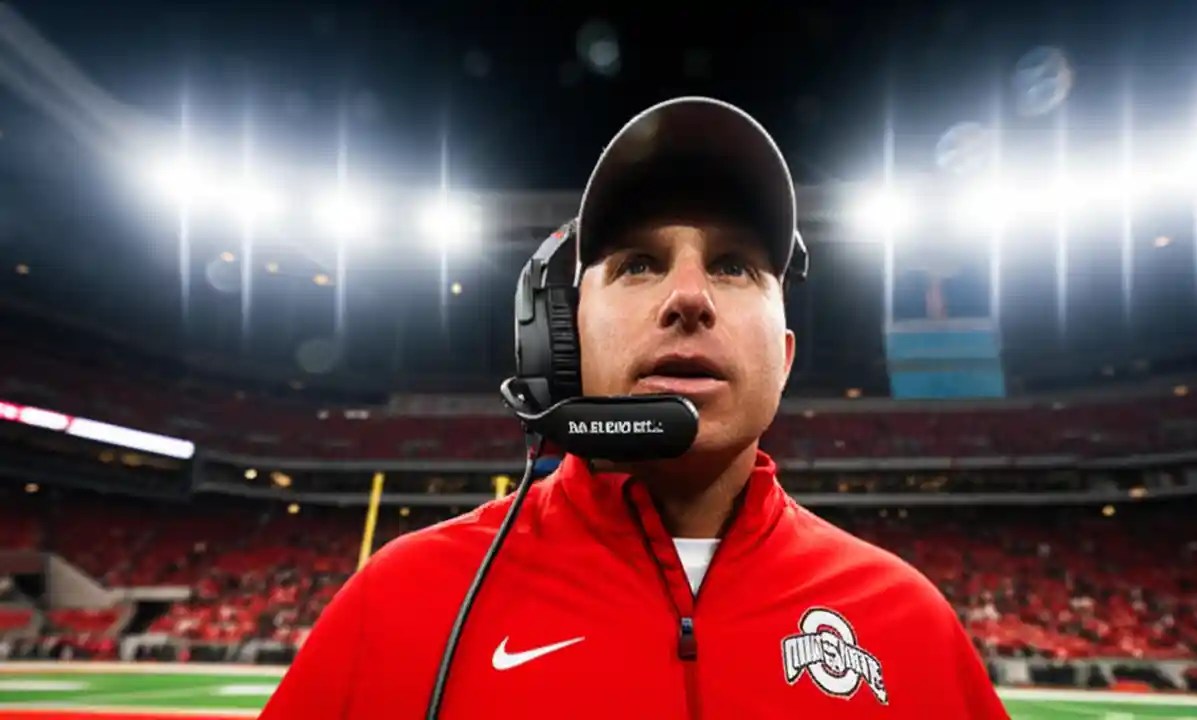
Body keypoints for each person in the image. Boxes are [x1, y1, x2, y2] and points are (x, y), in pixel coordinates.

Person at [260, 97, 1010, 719]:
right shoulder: (398, 607)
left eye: (734, 265)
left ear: (784, 358)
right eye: (639, 264)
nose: (689, 297)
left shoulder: (914, 627)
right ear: (562, 341)